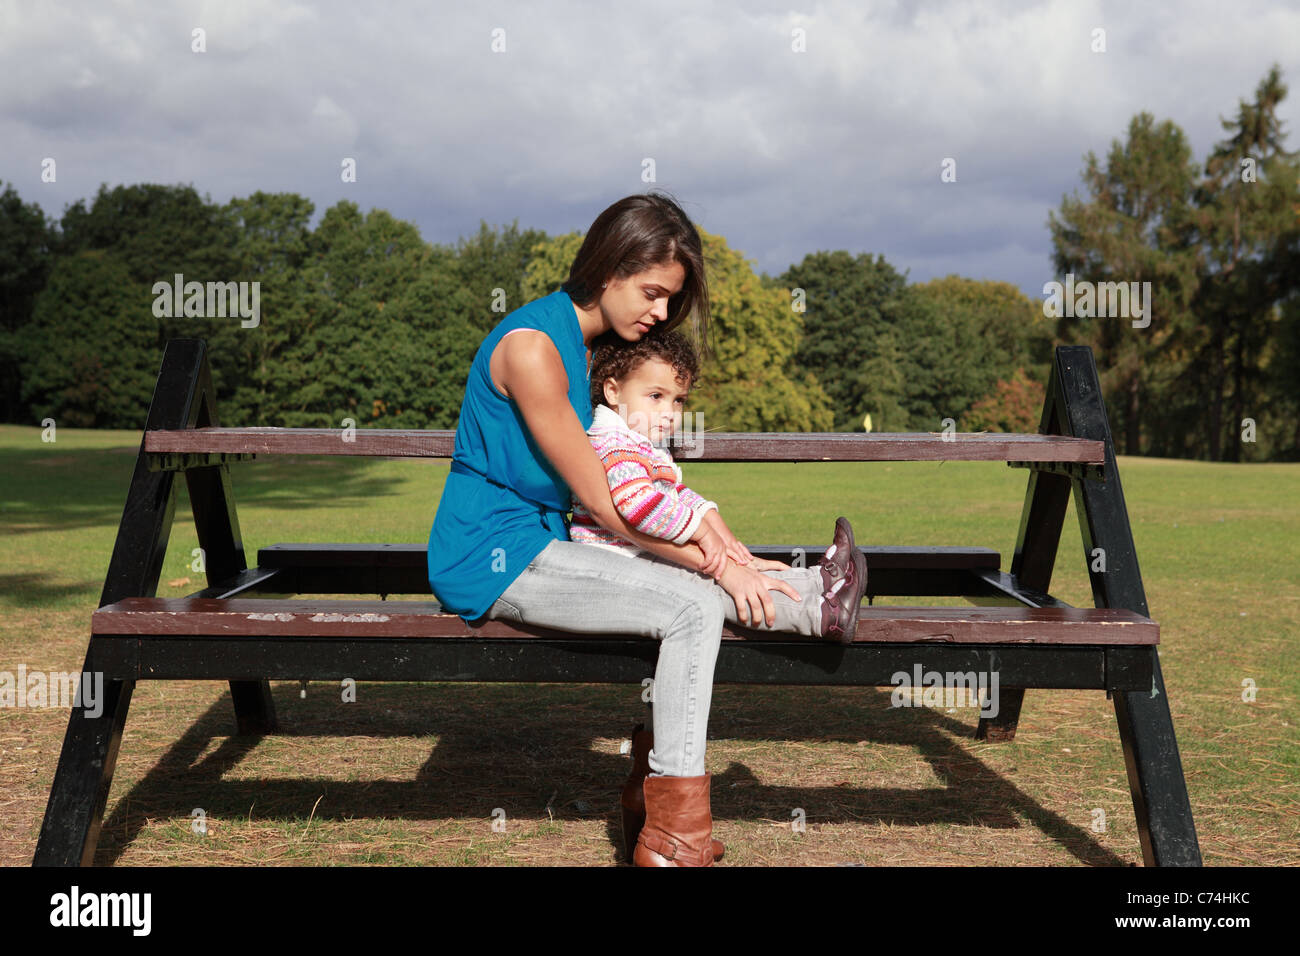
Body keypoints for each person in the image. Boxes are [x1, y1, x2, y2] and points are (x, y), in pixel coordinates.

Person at [426, 191, 861, 867]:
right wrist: (714, 562)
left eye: (669, 301)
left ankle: (813, 598)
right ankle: (673, 837)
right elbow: (606, 505)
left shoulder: (584, 344)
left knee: (689, 590)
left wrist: (722, 548)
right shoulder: (535, 348)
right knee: (690, 604)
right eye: (653, 293)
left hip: (547, 547)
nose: (660, 313)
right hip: (495, 556)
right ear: (609, 268)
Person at [569, 327, 867, 642]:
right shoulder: (614, 443)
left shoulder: (640, 440)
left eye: (679, 400)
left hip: (643, 554)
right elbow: (640, 505)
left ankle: (819, 581)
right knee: (710, 586)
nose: (670, 413)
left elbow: (674, 493)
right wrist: (703, 533)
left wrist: (715, 526)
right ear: (613, 391)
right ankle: (821, 616)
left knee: (735, 565)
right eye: (656, 396)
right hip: (619, 565)